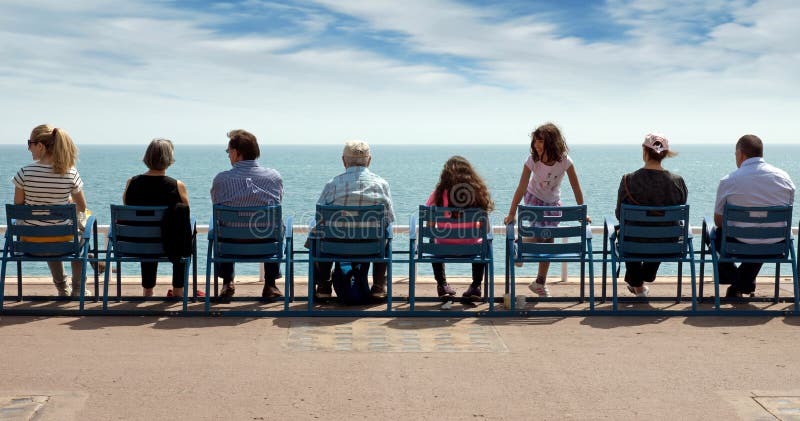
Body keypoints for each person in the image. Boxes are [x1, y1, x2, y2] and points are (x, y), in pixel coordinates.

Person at [503, 122, 587, 298]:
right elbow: (521, 187)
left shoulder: (564, 161)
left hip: (552, 202)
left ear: (551, 142)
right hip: (533, 198)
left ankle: (539, 281)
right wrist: (511, 213)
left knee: (548, 238)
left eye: (540, 141)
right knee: (543, 234)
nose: (537, 145)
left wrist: (582, 212)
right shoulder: (533, 159)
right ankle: (521, 245)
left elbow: (576, 187)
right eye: (535, 141)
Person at [713, 134, 795, 298]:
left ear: (740, 154)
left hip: (739, 244)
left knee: (714, 233)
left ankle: (740, 283)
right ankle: (742, 284)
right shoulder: (784, 178)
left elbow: (719, 221)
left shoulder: (729, 180)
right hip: (776, 245)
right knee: (762, 235)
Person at [12, 124, 89, 297]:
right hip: (63, 243)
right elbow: (82, 206)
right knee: (81, 232)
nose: (28, 148)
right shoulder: (70, 172)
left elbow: (18, 206)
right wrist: (64, 202)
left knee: (45, 229)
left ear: (40, 145)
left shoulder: (24, 173)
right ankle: (78, 289)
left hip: (30, 243)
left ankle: (62, 288)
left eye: (29, 143)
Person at [314, 140, 395, 300]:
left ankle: (323, 286)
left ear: (344, 160)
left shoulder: (332, 185)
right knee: (387, 231)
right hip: (371, 248)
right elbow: (389, 218)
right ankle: (378, 286)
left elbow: (319, 217)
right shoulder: (381, 185)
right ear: (369, 160)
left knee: (317, 230)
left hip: (335, 247)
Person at [210, 129, 284, 300]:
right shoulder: (274, 177)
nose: (228, 155)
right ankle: (270, 284)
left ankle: (227, 282)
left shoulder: (221, 179)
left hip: (230, 245)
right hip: (266, 244)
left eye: (228, 151)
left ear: (237, 152)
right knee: (278, 224)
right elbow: (278, 202)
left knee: (221, 225)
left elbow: (216, 205)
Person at [615, 133, 688, 297]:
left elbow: (620, 214)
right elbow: (678, 212)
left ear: (644, 151)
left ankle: (636, 280)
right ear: (665, 154)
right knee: (661, 230)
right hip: (667, 246)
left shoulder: (628, 180)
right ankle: (645, 276)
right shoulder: (678, 182)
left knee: (628, 231)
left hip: (633, 244)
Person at [123, 138, 194, 298]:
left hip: (139, 243)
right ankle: (178, 290)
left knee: (147, 231)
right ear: (169, 159)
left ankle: (147, 291)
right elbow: (185, 214)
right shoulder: (177, 186)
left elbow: (129, 209)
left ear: (147, 157)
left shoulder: (131, 183)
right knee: (180, 230)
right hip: (171, 245)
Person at [425, 156, 494, 301]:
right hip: (471, 248)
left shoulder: (437, 194)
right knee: (482, 242)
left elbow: (430, 228)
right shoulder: (477, 194)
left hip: (443, 248)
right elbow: (486, 229)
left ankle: (442, 285)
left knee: (433, 241)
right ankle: (476, 286)